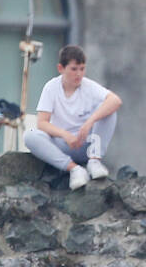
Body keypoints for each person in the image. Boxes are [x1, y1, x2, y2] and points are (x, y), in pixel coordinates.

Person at [21, 45, 122, 191]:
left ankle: (94, 161)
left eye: (82, 69)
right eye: (74, 69)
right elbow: (42, 123)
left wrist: (90, 122)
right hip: (63, 145)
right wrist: (64, 135)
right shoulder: (51, 87)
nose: (79, 74)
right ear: (61, 68)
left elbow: (115, 100)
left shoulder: (89, 86)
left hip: (87, 144)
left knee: (109, 111)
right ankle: (74, 169)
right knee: (30, 136)